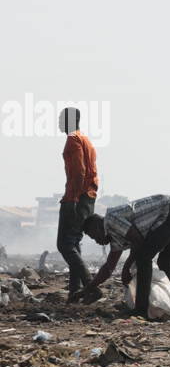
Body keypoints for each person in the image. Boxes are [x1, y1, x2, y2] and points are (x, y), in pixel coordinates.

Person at [77, 195, 170, 319]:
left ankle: (141, 310)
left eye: (93, 236)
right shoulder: (115, 237)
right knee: (166, 262)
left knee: (143, 258)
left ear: (96, 227)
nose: (97, 241)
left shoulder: (111, 219)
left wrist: (126, 267)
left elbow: (137, 240)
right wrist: (88, 288)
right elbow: (109, 267)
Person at [59, 107, 100, 302]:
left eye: (61, 119)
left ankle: (91, 287)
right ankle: (75, 292)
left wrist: (73, 199)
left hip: (77, 197)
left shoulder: (73, 139)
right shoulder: (85, 139)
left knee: (65, 244)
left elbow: (79, 171)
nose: (59, 123)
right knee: (73, 243)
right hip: (88, 196)